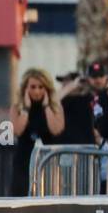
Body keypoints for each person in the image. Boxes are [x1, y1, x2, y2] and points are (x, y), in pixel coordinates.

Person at [11, 68, 66, 196]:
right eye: (33, 87)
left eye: (41, 87)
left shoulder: (55, 107)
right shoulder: (17, 107)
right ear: (26, 88)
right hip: (24, 162)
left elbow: (56, 130)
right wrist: (26, 108)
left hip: (49, 162)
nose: (37, 91)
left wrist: (46, 106)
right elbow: (18, 130)